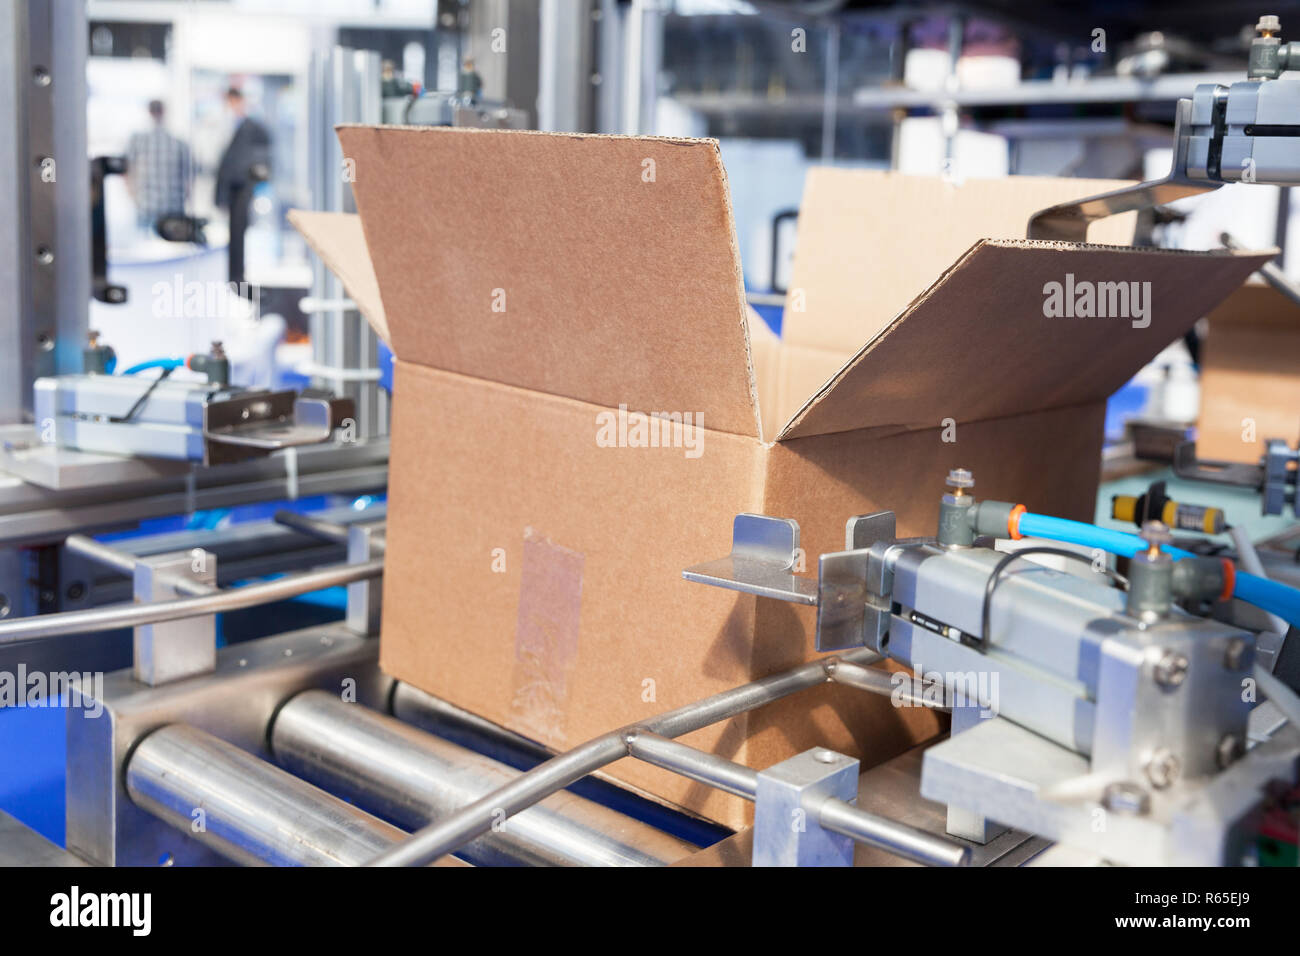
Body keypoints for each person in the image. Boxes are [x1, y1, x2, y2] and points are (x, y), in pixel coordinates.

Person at [214, 87, 271, 284]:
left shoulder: (252, 127)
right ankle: (233, 275)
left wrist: (257, 180)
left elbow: (262, 154)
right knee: (234, 232)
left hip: (243, 185)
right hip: (231, 186)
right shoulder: (227, 125)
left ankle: (237, 276)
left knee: (239, 230)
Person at [124, 100, 192, 234]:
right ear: (164, 112)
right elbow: (188, 180)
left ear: (149, 112)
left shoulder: (137, 140)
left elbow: (126, 172)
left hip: (146, 205)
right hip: (173, 207)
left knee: (146, 246)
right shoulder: (179, 142)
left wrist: (133, 196)